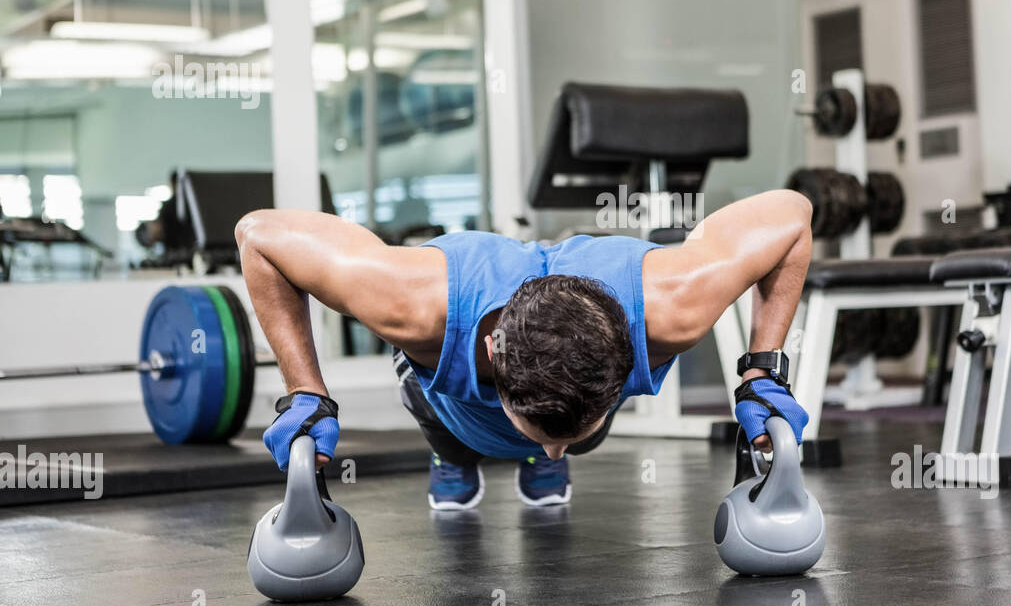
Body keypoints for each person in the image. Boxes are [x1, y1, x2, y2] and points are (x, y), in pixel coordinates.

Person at [234, 189, 813, 510]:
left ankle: (535, 446)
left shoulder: (673, 307)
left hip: (555, 368)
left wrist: (761, 370)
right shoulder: (413, 305)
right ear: (491, 347)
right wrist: (306, 392)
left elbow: (792, 214)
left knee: (558, 447)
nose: (563, 452)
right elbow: (259, 235)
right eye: (548, 435)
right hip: (453, 393)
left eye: (563, 435)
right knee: (417, 377)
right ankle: (452, 456)